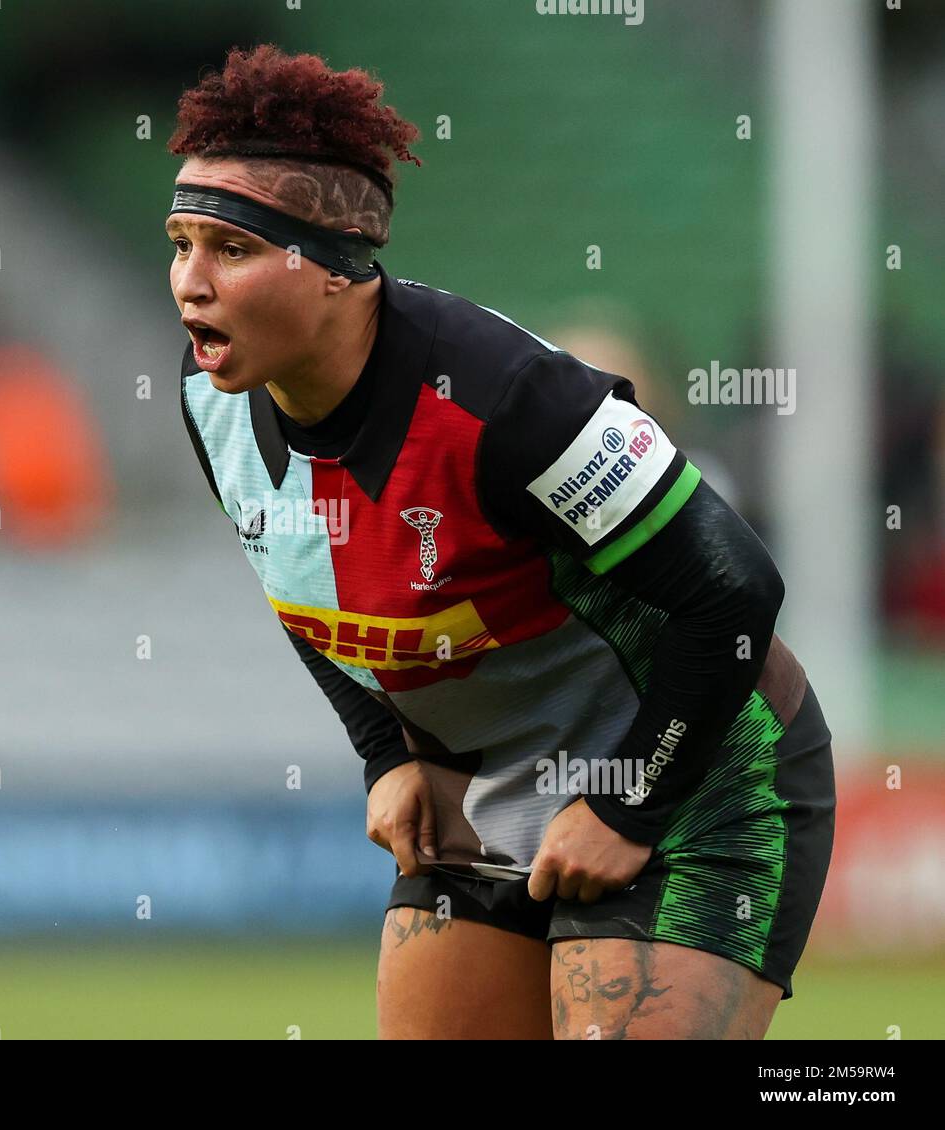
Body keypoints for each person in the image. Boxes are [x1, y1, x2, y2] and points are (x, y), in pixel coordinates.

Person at [168, 44, 835, 1040]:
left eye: (232, 250)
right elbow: (311, 597)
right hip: (484, 791)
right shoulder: (212, 407)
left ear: (341, 268)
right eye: (179, 243)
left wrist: (628, 805)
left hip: (693, 777)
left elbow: (733, 589)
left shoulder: (510, 400)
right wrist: (382, 751)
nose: (190, 282)